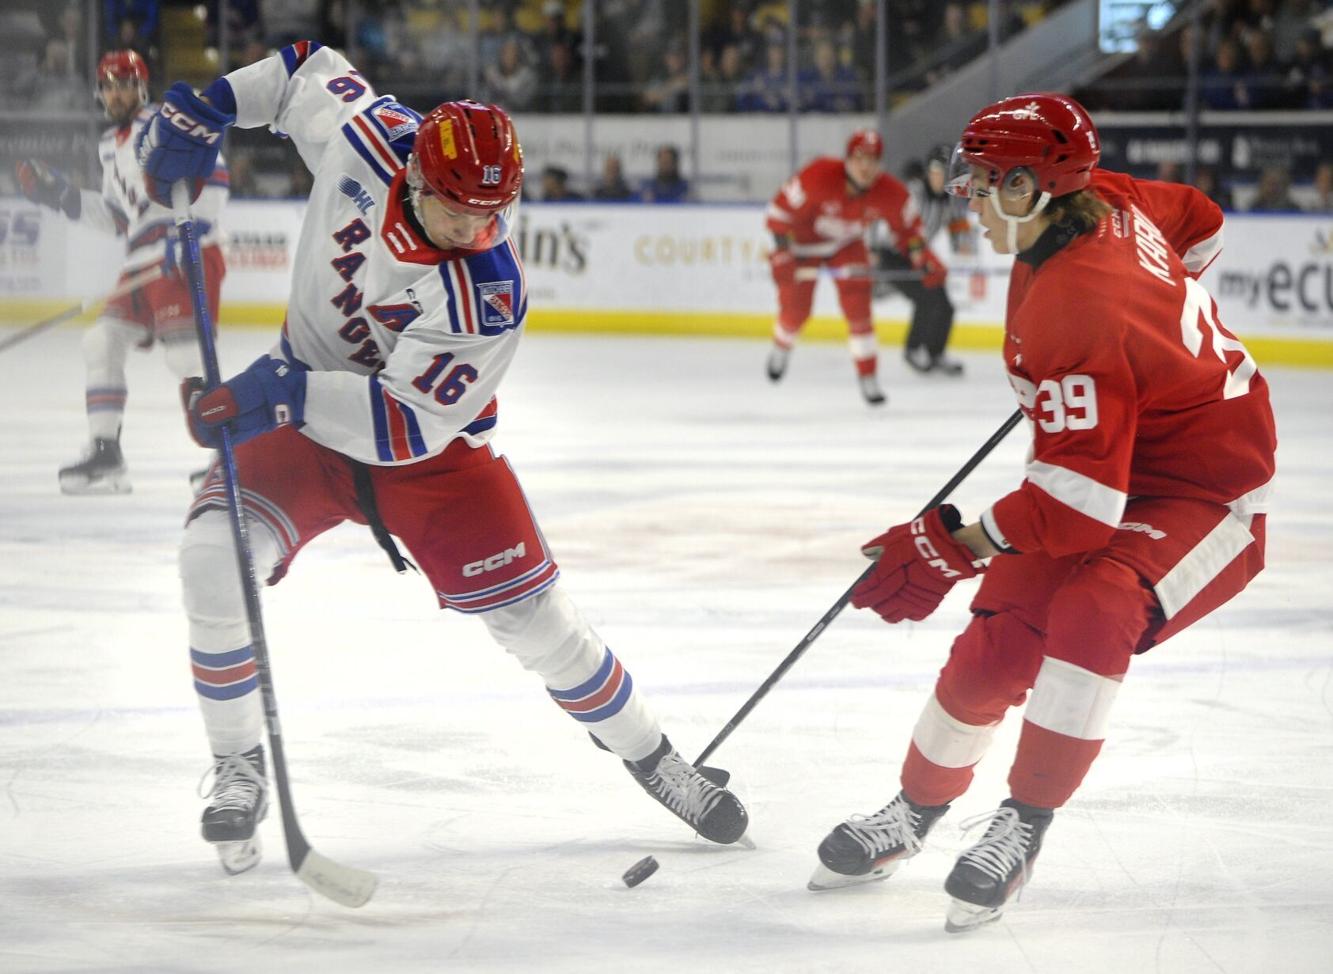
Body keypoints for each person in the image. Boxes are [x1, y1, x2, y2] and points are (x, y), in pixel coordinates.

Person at [134, 40, 748, 876]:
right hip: (302, 415)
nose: (473, 229)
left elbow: (404, 427)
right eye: (457, 209)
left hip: (428, 455)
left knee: (540, 625)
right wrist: (210, 108)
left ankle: (654, 757)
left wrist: (279, 396)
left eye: (491, 213)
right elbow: (299, 70)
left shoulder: (488, 293)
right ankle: (238, 764)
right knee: (211, 562)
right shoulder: (368, 135)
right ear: (416, 176)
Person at [809, 93, 1275, 933]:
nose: (967, 198)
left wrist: (955, 544)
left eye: (983, 182)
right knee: (997, 644)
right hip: (1113, 465)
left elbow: (1078, 511)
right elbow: (1200, 220)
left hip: (1205, 492)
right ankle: (913, 811)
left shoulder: (1080, 306)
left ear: (1029, 187)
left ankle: (1022, 824)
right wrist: (1144, 348)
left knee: (1096, 605)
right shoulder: (1108, 198)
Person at [17, 49, 228, 494]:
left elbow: (216, 177)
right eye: (109, 86)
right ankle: (106, 454)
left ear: (142, 89)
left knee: (187, 357)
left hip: (182, 252)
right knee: (101, 341)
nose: (117, 94)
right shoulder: (109, 146)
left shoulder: (166, 123)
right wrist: (62, 195)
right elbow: (117, 216)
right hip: (140, 261)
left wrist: (188, 232)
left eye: (126, 85)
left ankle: (228, 455)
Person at [763, 129, 948, 405]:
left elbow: (908, 230)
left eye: (873, 160)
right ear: (847, 159)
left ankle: (868, 375)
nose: (866, 167)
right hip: (803, 245)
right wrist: (782, 252)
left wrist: (922, 258)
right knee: (796, 309)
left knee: (859, 306)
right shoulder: (819, 175)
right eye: (860, 158)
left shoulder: (889, 191)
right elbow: (779, 212)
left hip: (846, 244)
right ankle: (781, 347)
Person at [871, 143, 971, 376]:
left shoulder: (949, 199)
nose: (938, 178)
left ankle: (936, 354)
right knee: (926, 298)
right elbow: (884, 219)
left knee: (945, 305)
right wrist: (873, 251)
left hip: (918, 256)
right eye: (934, 172)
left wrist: (962, 242)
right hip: (893, 256)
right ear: (927, 171)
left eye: (944, 174)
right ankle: (913, 349)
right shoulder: (913, 193)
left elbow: (959, 231)